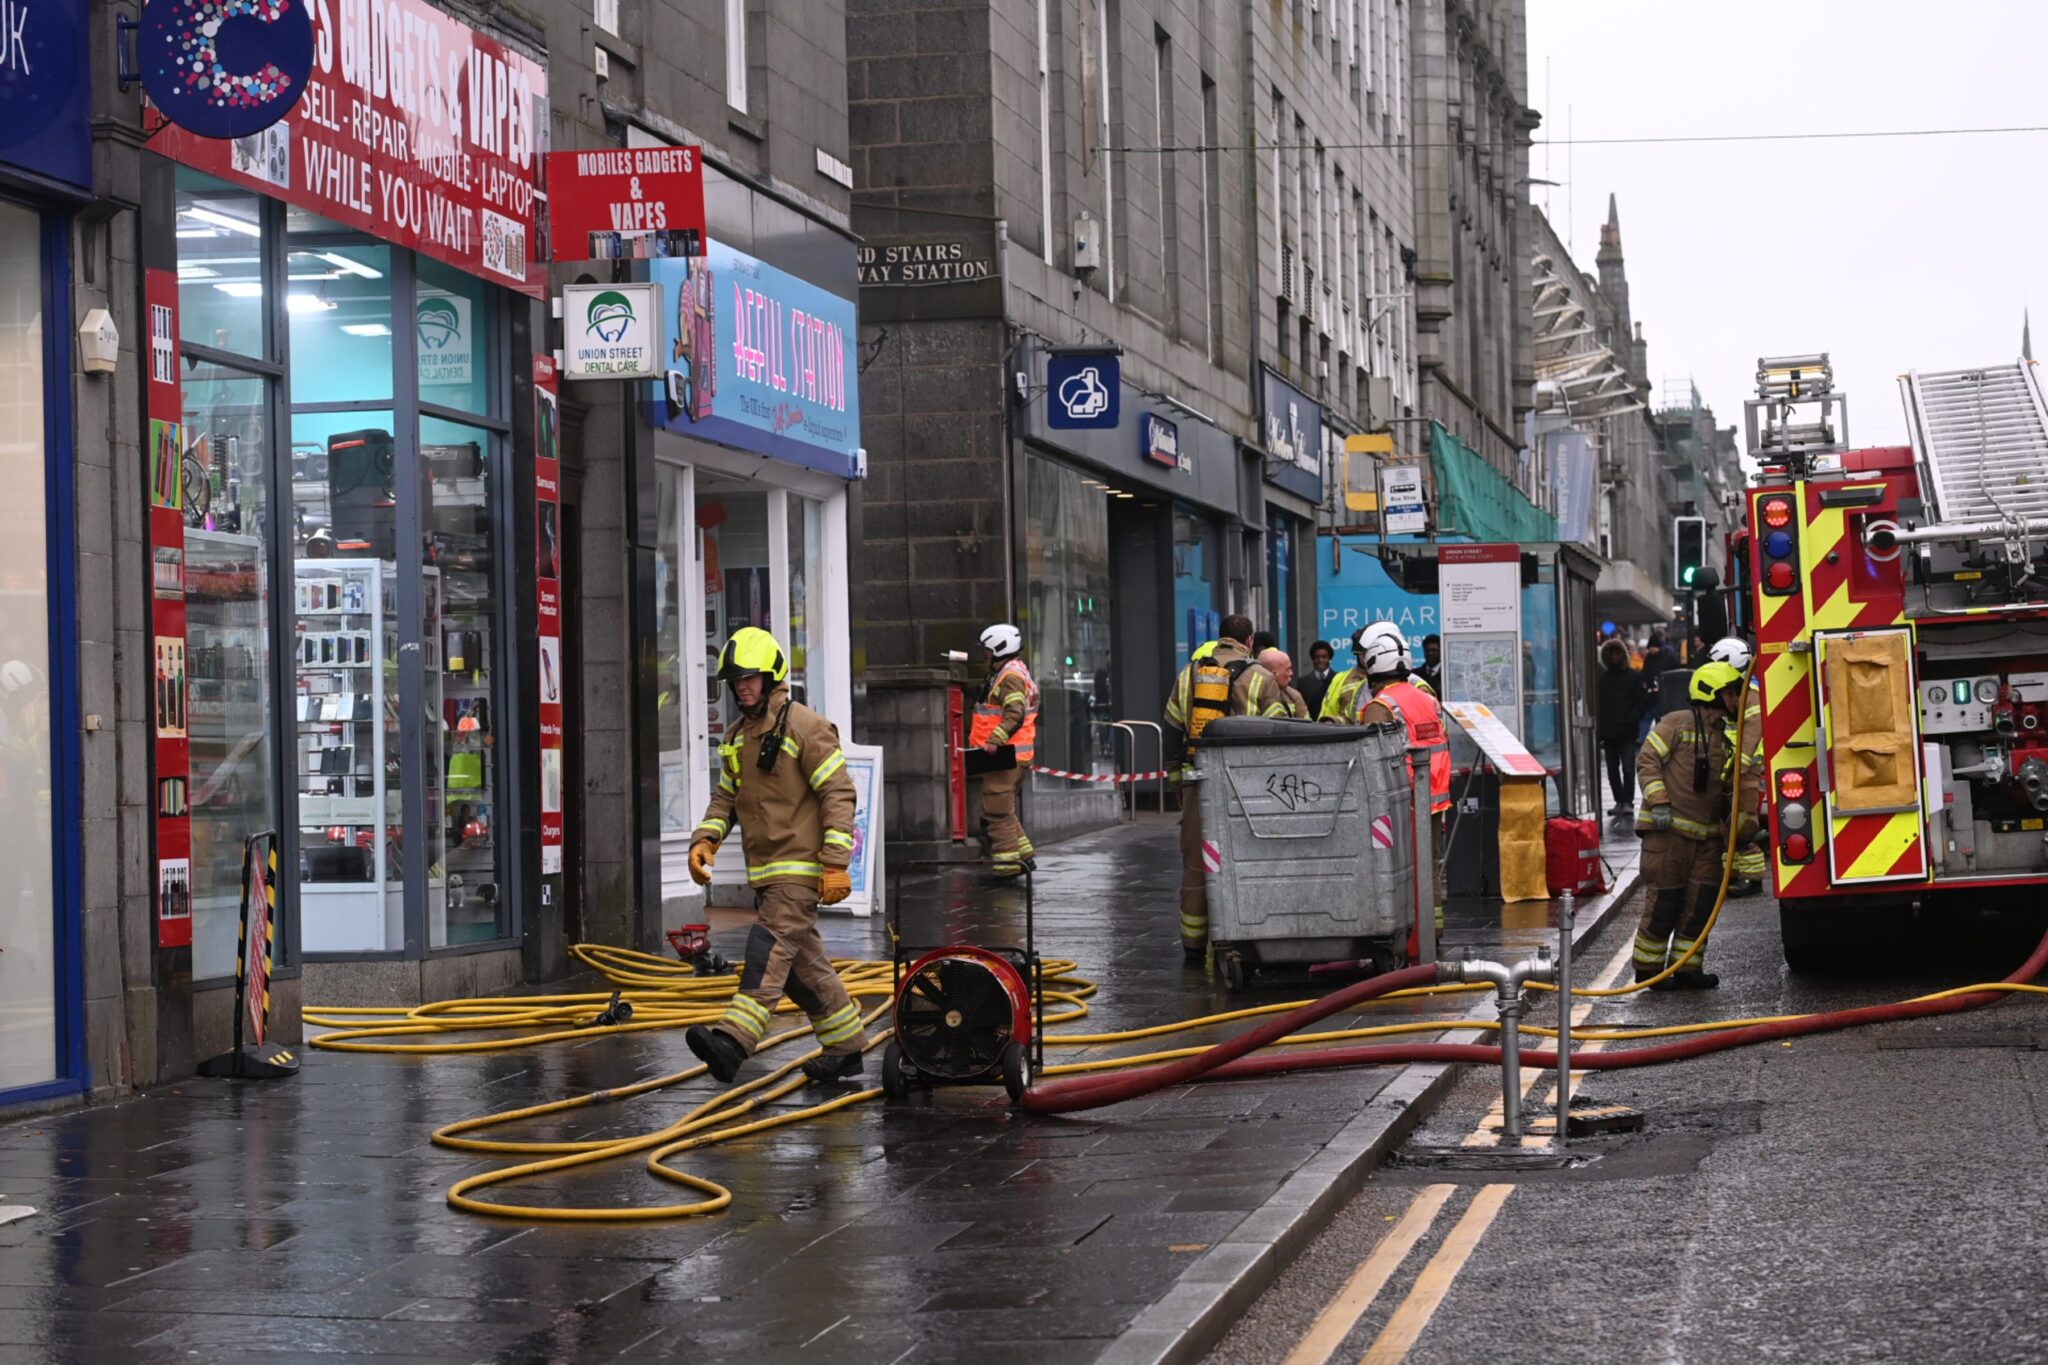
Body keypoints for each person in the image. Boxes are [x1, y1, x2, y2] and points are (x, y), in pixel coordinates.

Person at [685, 627, 868, 1084]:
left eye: (750, 678)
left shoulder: (806, 726)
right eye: (735, 680)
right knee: (801, 970)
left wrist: (835, 862)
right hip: (767, 877)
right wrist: (704, 840)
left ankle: (733, 1043)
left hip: (800, 872)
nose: (742, 687)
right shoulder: (735, 737)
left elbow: (839, 793)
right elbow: (724, 799)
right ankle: (846, 1048)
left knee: (766, 950)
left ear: (772, 678)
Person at [1165, 614, 1288, 960]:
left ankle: (1192, 947)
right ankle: (1246, 939)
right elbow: (1280, 733)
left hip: (1198, 782)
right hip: (1247, 786)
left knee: (1195, 866)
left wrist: (1177, 780)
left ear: (1219, 639)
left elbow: (1172, 728)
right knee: (1251, 860)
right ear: (1249, 641)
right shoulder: (1261, 677)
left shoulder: (1189, 675)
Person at [1633, 660, 1755, 989]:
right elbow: (1647, 760)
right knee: (1665, 904)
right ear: (1711, 693)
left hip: (1706, 841)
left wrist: (1742, 833)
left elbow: (1728, 789)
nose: (1736, 701)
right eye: (1731, 694)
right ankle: (1648, 972)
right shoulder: (1676, 724)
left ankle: (1687, 969)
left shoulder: (1725, 739)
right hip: (1668, 836)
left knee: (1700, 907)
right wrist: (1658, 801)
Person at [1353, 623, 1452, 927]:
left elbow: (1369, 761)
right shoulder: (1428, 699)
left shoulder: (1381, 706)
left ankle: (1405, 931)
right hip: (1434, 801)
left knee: (1394, 869)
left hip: (1399, 803)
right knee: (1429, 867)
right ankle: (1432, 932)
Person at [970, 622, 1040, 880]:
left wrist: (995, 740)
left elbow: (1015, 713)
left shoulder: (1010, 676)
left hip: (1004, 755)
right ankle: (1024, 855)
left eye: (987, 650)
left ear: (1000, 648)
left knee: (995, 810)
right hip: (1013, 756)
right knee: (1005, 808)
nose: (984, 655)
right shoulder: (1013, 671)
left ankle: (1007, 867)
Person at [1708, 635, 1767, 896]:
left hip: (1744, 771)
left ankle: (1752, 879)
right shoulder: (1733, 693)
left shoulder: (1749, 695)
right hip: (1730, 770)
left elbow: (1753, 732)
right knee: (1725, 825)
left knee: (1742, 826)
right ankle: (1730, 875)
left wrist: (1740, 765)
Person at [1597, 638, 1649, 831]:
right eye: (1611, 654)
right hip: (1610, 732)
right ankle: (1620, 800)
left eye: (1617, 654)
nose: (1614, 657)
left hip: (1626, 732)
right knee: (1612, 770)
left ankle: (1627, 801)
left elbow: (1641, 701)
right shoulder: (1603, 679)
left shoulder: (1634, 677)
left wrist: (1630, 719)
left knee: (1628, 768)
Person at [1257, 648, 1312, 719]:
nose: (1291, 673)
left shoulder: (1294, 696)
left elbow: (1307, 725)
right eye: (1288, 669)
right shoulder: (1256, 694)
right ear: (1273, 674)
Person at [1297, 640, 1337, 718]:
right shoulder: (1302, 682)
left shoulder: (1338, 679)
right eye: (1317, 657)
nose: (1320, 660)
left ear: (1329, 659)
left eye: (1324, 657)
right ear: (1313, 659)